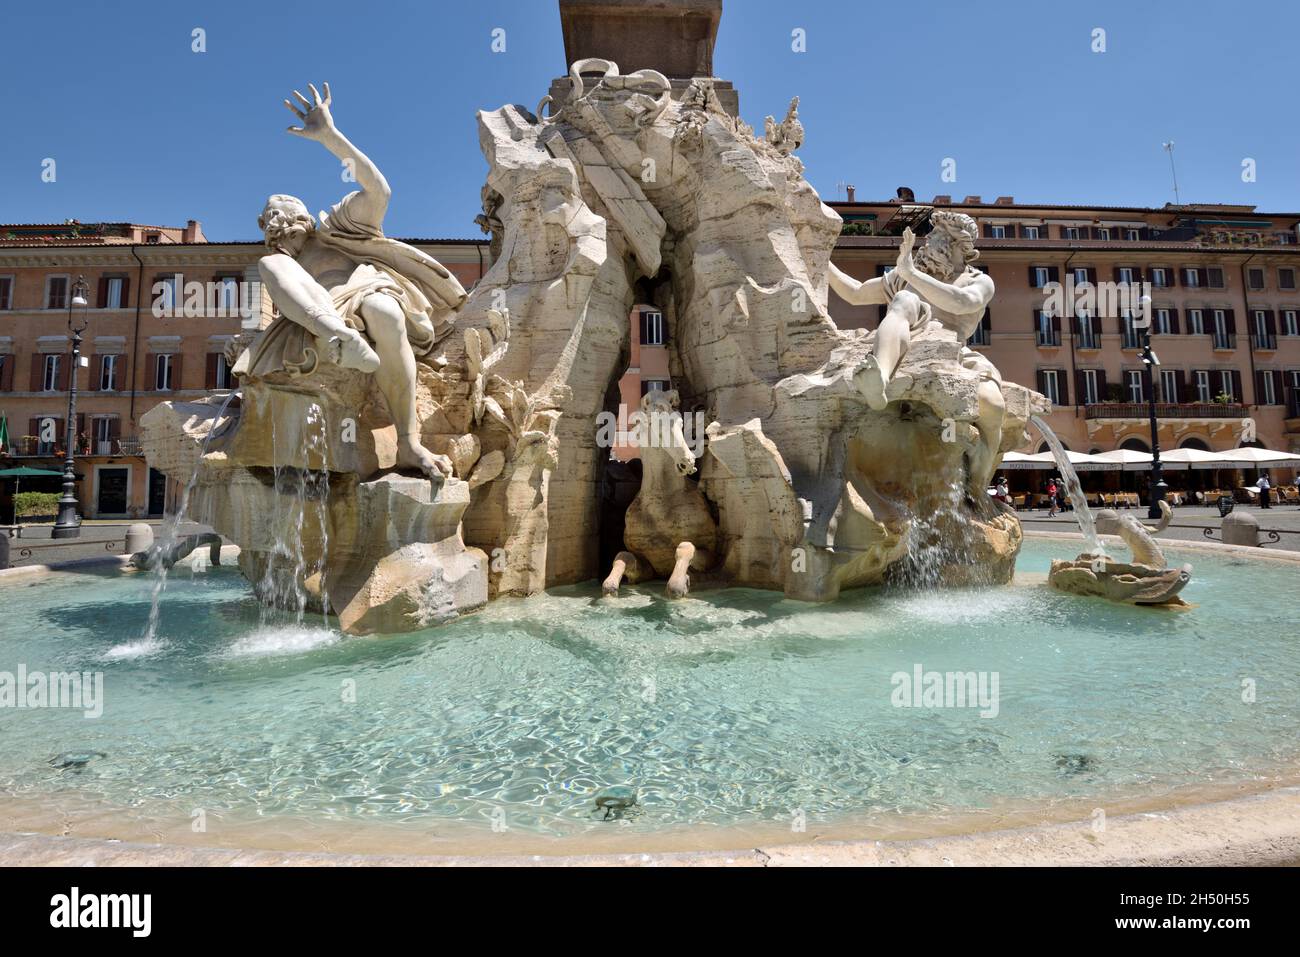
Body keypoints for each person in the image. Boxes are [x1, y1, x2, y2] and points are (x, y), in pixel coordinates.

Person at [242, 83, 467, 481]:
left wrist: (330, 137)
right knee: (269, 266)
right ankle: (337, 337)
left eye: (280, 210)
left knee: (384, 311)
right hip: (316, 317)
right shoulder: (279, 261)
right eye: (266, 218)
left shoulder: (339, 227)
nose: (273, 219)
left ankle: (408, 442)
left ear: (303, 214)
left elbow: (379, 190)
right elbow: (279, 277)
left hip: (361, 290)